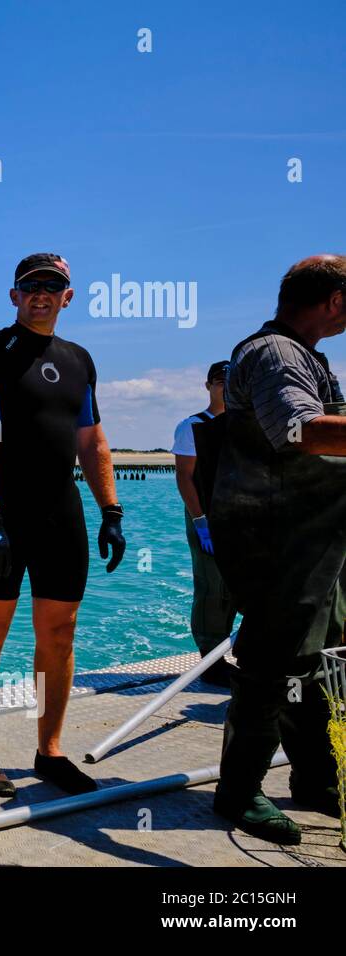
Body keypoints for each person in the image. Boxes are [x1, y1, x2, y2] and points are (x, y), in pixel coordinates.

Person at [0, 254, 126, 798]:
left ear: (68, 297)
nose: (42, 295)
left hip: (61, 513)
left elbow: (92, 441)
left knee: (60, 632)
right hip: (0, 515)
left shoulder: (79, 360)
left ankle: (49, 751)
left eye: (53, 287)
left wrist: (111, 511)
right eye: (31, 287)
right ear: (14, 295)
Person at [208, 255, 346, 846]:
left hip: (311, 538)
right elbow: (302, 430)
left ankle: (315, 779)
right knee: (270, 663)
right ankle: (238, 792)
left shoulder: (305, 355)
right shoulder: (276, 354)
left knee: (309, 660)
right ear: (335, 301)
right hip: (272, 538)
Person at [170, 361, 238, 686]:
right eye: (219, 381)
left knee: (242, 586)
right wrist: (200, 521)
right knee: (213, 587)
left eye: (231, 380)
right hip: (206, 517)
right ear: (208, 385)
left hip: (242, 518)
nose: (225, 386)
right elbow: (184, 477)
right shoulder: (192, 426)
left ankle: (238, 651)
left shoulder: (246, 424)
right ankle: (210, 661)